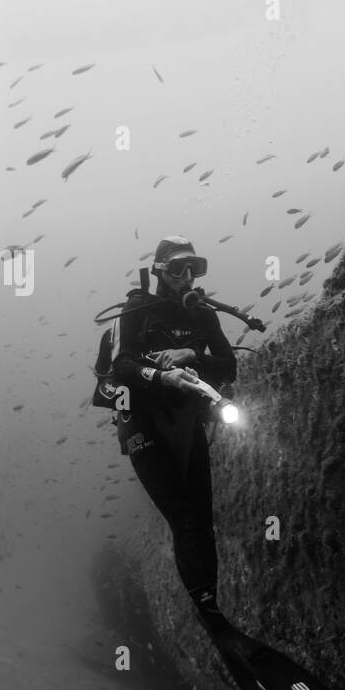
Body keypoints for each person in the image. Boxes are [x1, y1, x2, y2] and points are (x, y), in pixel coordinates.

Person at [111, 236, 237, 634]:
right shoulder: (137, 311)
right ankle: (206, 609)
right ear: (161, 271)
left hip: (186, 422)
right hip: (144, 427)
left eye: (194, 269)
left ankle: (212, 609)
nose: (187, 278)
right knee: (183, 518)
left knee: (201, 520)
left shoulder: (203, 315)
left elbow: (228, 363)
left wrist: (192, 356)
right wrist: (162, 375)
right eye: (179, 268)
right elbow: (120, 368)